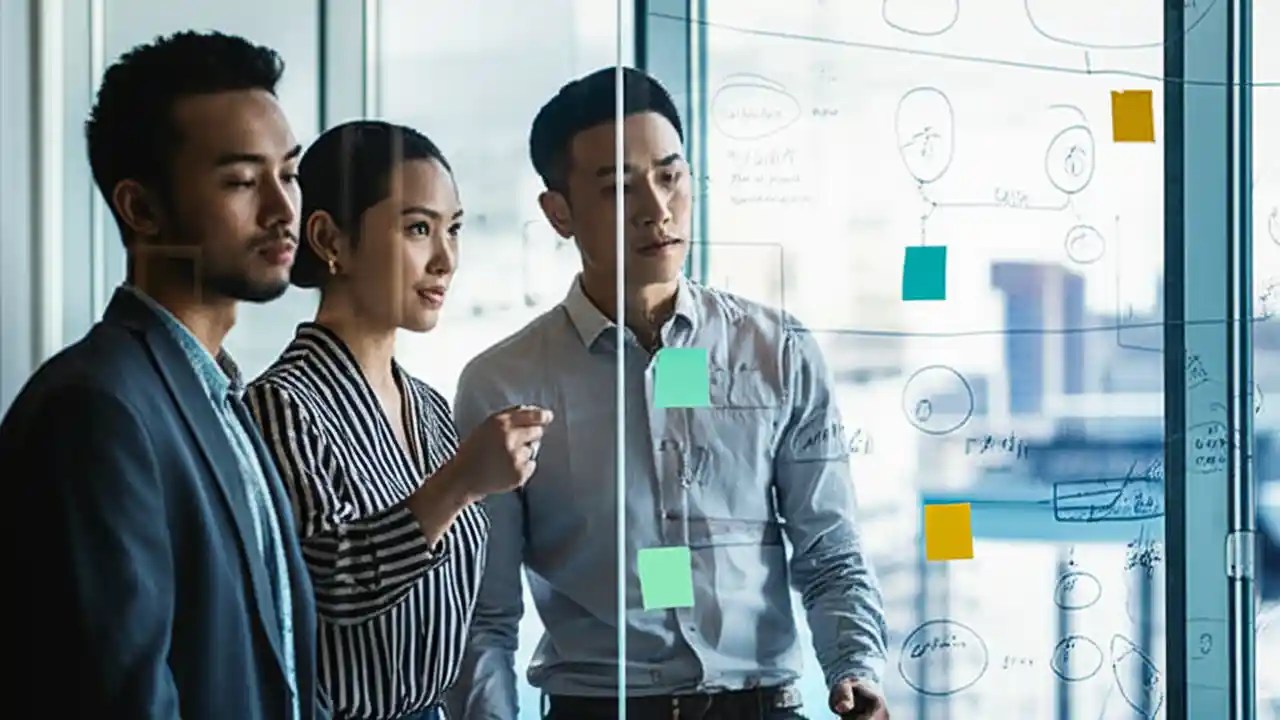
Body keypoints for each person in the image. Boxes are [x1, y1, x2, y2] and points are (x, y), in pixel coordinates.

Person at [446, 67, 891, 720]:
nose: (656, 209)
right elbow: (485, 614)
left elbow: (827, 550)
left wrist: (856, 667)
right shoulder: (505, 384)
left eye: (669, 175)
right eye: (619, 187)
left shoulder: (776, 352)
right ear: (559, 212)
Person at [0, 31, 326, 719]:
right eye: (242, 181)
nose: (282, 208)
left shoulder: (220, 395)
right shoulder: (97, 409)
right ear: (142, 208)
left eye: (288, 173)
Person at [244, 120, 554, 720]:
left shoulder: (432, 410)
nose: (445, 260)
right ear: (330, 239)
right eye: (418, 229)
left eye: (454, 230)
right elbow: (333, 581)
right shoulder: (281, 406)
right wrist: (461, 481)